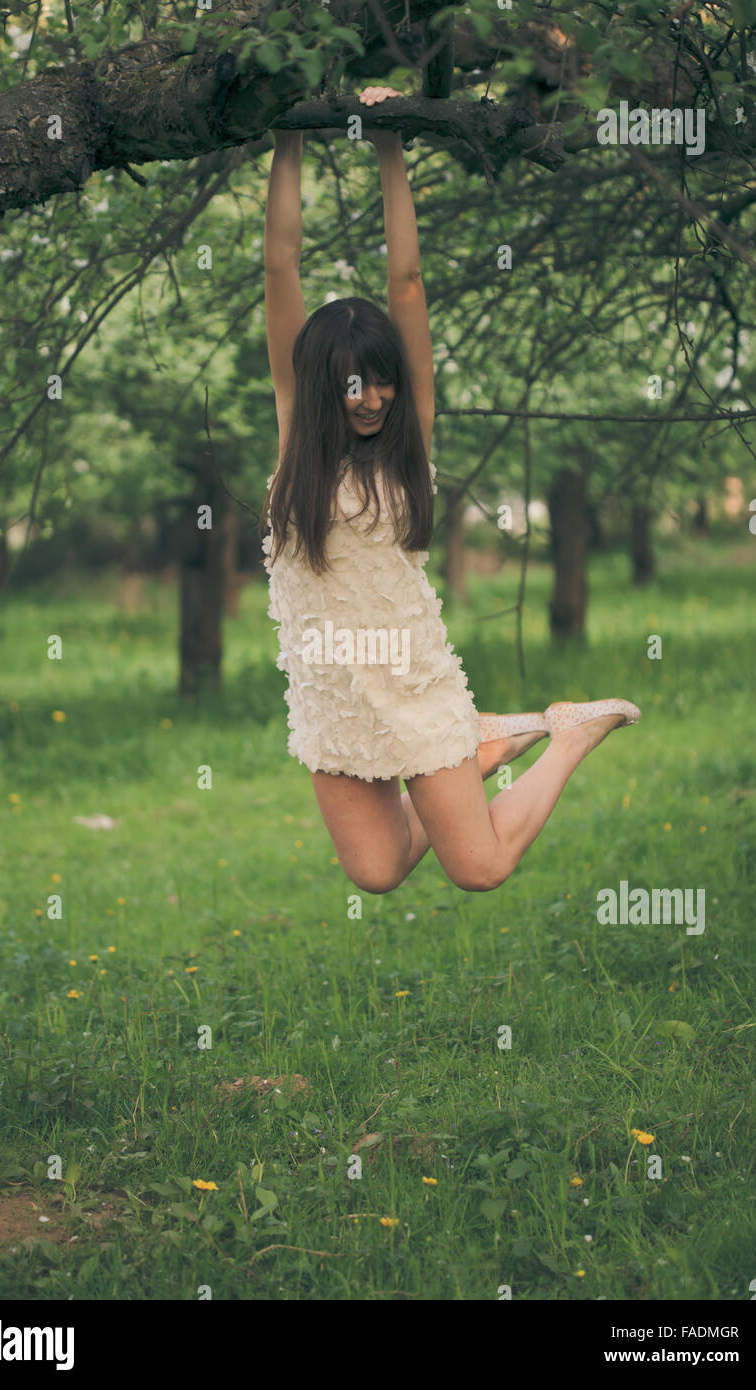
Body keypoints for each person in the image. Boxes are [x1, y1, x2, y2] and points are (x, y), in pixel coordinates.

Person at [260, 86, 639, 895]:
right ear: (326, 387)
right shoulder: (297, 433)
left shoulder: (408, 447)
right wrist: (286, 134)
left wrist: (392, 148)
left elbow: (406, 284)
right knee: (378, 871)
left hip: (411, 682)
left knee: (481, 868)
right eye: (357, 387)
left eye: (385, 384)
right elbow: (279, 263)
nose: (372, 400)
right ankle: (487, 747)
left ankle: (568, 734)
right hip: (331, 696)